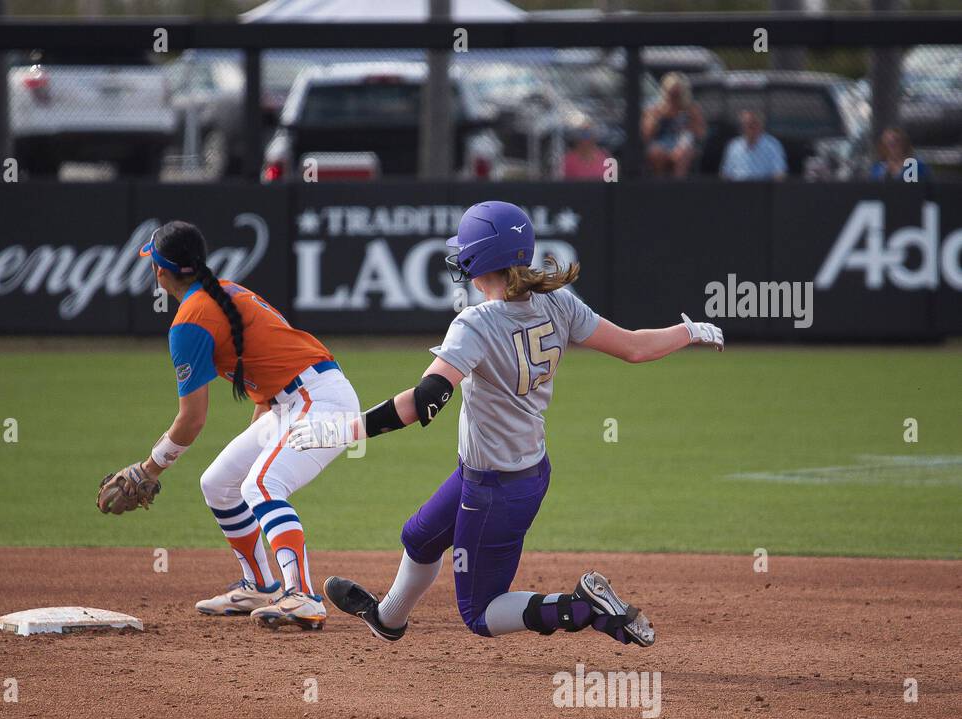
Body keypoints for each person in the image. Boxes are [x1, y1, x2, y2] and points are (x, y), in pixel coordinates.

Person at [291, 201, 724, 645]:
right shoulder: (558, 304)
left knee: (480, 613)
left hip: (495, 487)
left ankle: (582, 608)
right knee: (419, 537)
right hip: (516, 471)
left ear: (477, 262)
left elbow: (424, 402)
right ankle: (388, 618)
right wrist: (689, 332)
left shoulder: (475, 323)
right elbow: (633, 347)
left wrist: (339, 431)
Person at [98, 220, 361, 631]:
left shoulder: (189, 321)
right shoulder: (226, 291)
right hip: (297, 402)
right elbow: (267, 370)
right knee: (219, 482)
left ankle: (304, 596)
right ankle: (260, 584)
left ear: (159, 271)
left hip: (321, 404)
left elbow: (192, 419)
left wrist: (148, 469)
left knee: (261, 485)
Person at [641, 72, 704, 179]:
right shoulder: (654, 108)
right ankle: (660, 186)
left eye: (677, 95)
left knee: (683, 154)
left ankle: (678, 187)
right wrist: (658, 116)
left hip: (682, 143)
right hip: (660, 143)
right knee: (656, 153)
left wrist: (689, 122)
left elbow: (701, 133)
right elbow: (646, 135)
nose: (674, 98)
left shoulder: (691, 108)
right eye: (671, 94)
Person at [719, 110, 788, 181]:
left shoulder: (773, 145)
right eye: (745, 124)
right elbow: (726, 173)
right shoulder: (733, 146)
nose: (749, 127)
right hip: (738, 189)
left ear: (760, 125)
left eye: (753, 124)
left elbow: (780, 173)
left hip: (764, 189)